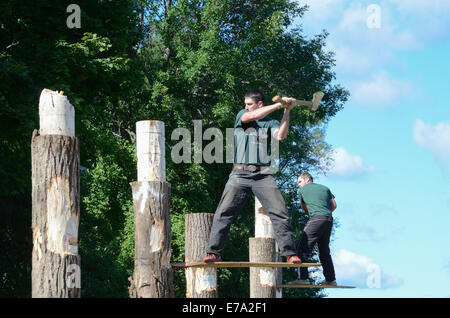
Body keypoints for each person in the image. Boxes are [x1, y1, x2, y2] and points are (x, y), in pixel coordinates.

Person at [203, 89, 302, 264]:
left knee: (280, 213)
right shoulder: (243, 115)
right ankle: (213, 253)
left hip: (263, 174)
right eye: (246, 104)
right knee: (224, 213)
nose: (246, 107)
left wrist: (287, 110)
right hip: (239, 173)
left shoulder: (270, 122)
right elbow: (251, 117)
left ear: (259, 103)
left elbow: (280, 135)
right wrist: (279, 104)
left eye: (249, 104)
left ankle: (289, 254)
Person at [290, 172, 337, 285]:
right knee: (324, 251)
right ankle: (331, 280)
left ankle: (303, 278)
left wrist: (316, 215)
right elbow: (334, 205)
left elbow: (304, 208)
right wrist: (324, 213)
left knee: (301, 248)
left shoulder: (302, 190)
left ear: (307, 180)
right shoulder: (325, 188)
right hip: (329, 220)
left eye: (300, 182)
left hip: (316, 219)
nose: (299, 185)